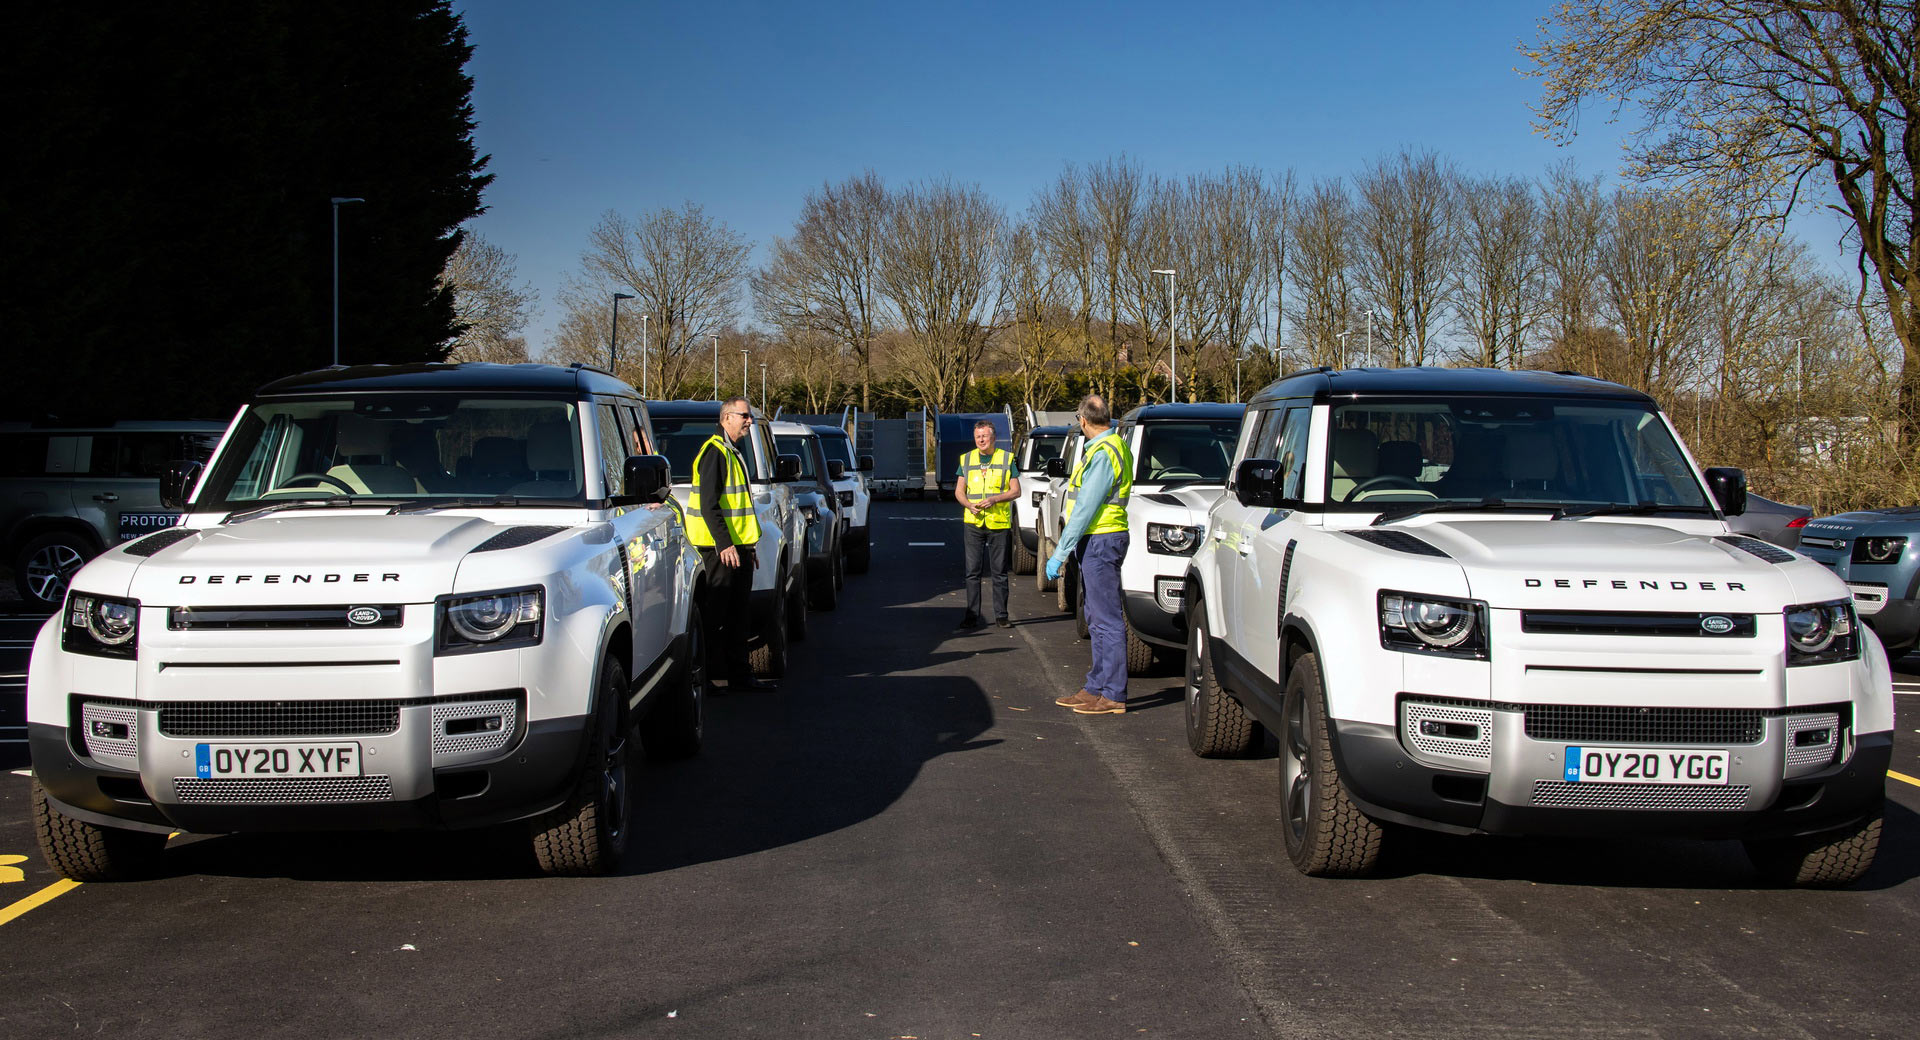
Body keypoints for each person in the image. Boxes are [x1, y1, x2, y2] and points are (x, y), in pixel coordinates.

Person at [1045, 395, 1133, 714]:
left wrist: (1060, 552)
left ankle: (1113, 694)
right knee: (1096, 616)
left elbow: (1085, 508)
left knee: (1106, 618)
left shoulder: (1105, 452)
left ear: (1082, 420)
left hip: (1101, 538)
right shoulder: (1106, 447)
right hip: (1099, 538)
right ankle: (1096, 686)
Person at [688, 397, 777, 691]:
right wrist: (725, 544)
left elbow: (740, 508)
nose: (749, 421)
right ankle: (709, 678)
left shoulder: (731, 452)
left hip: (737, 550)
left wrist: (748, 548)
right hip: (719, 551)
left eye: (749, 416)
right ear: (727, 417)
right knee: (716, 616)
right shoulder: (714, 452)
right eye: (745, 416)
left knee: (738, 614)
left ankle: (740, 676)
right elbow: (709, 505)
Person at [953, 419, 1020, 630]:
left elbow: (1016, 491)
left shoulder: (1006, 458)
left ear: (994, 438)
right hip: (973, 522)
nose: (981, 440)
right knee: (972, 571)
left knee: (999, 572)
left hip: (998, 522)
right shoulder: (966, 459)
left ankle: (1002, 616)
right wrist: (968, 505)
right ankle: (972, 615)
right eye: (978, 437)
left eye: (985, 436)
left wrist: (994, 499)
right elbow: (959, 491)